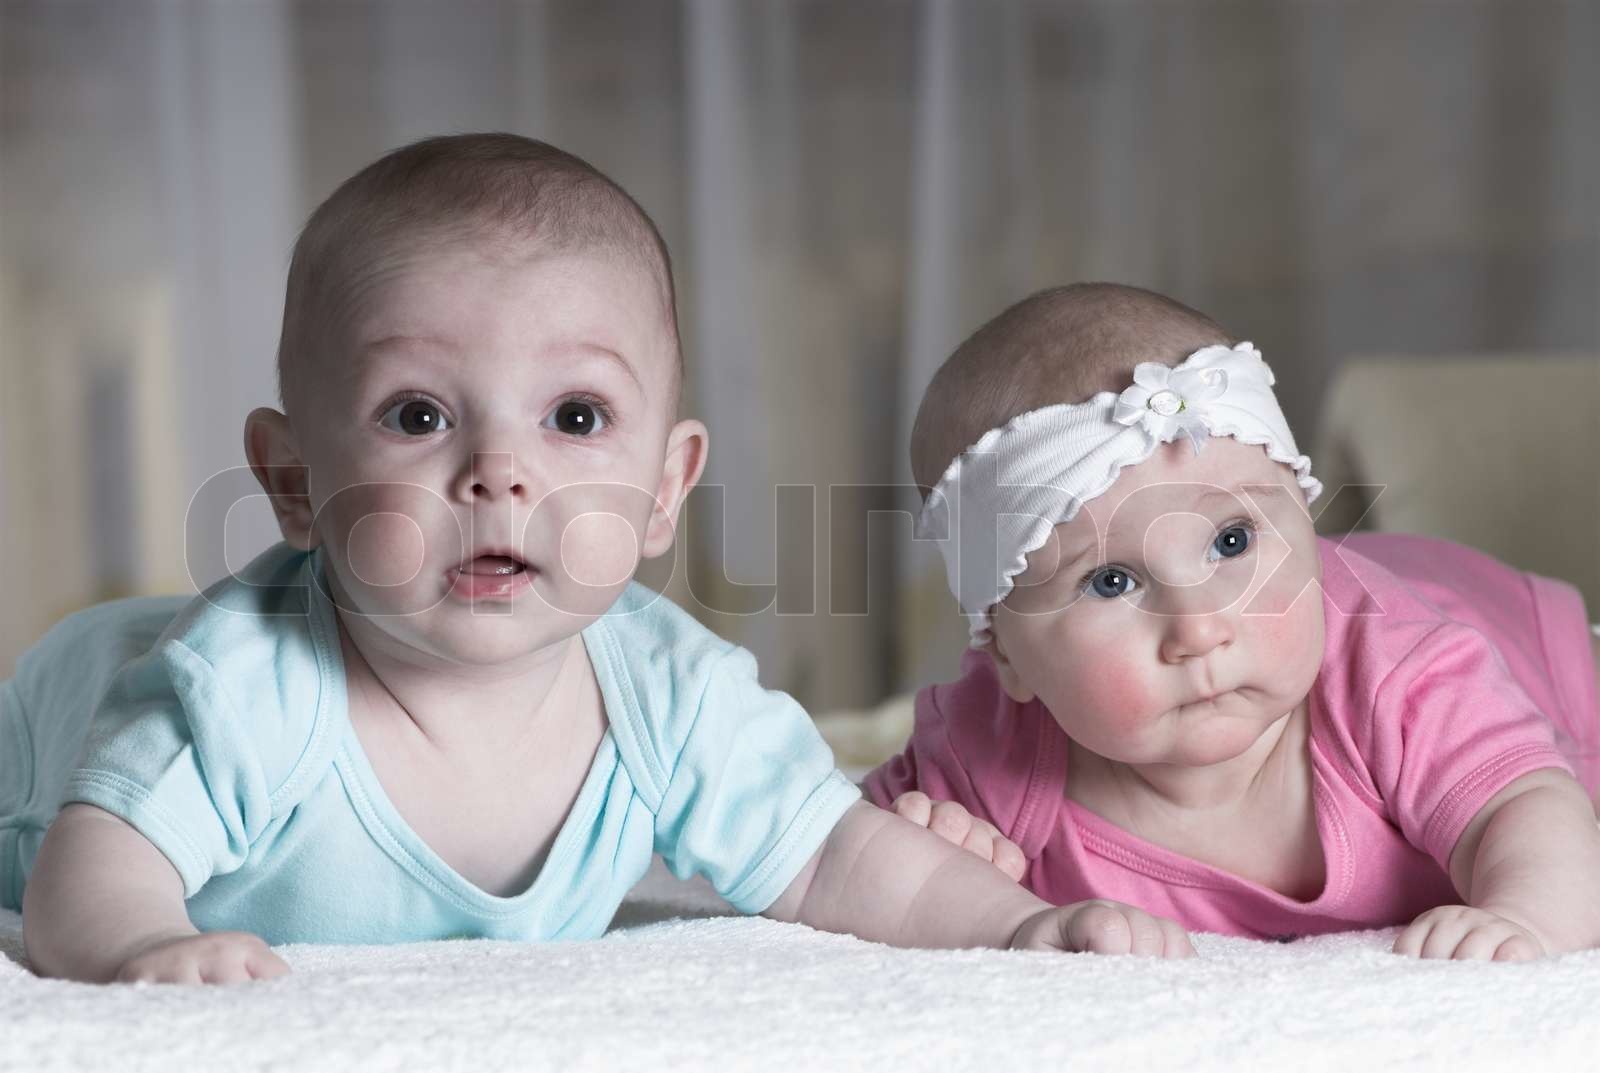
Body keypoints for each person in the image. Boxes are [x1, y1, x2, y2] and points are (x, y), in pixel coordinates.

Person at [1, 139, 1190, 985]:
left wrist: (1026, 927)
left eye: (574, 417)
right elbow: (90, 875)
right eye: (417, 415)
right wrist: (139, 946)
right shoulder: (237, 685)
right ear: (295, 480)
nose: (499, 473)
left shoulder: (664, 689)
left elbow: (839, 855)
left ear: (666, 486)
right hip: (55, 743)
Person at [872, 282, 1600, 960]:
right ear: (1005, 654)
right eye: (1111, 580)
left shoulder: (1397, 673)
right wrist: (930, 842)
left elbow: (1529, 805)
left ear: (1303, 522)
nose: (1200, 629)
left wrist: (1526, 919)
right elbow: (832, 845)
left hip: (1521, 640)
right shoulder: (983, 753)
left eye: (1232, 540)